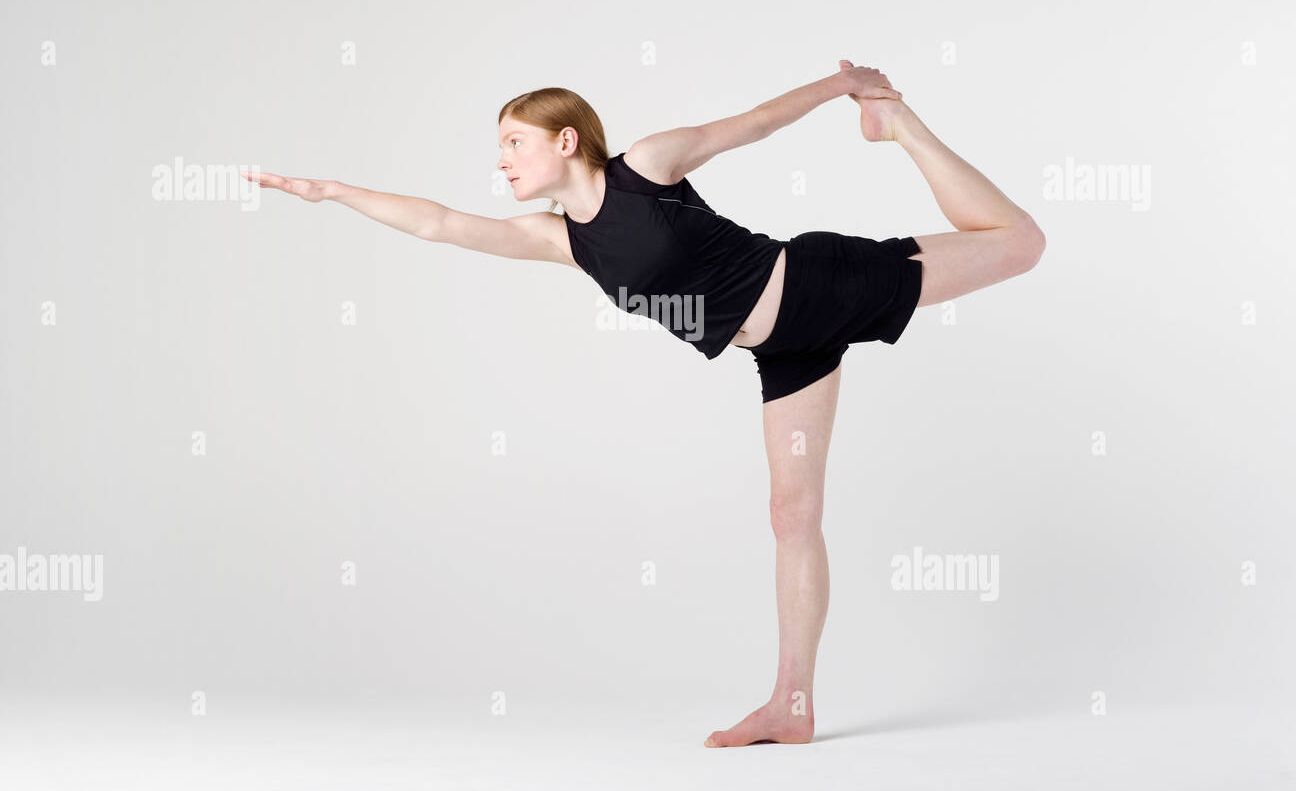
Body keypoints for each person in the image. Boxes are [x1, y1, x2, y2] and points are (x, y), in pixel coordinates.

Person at [244, 60, 1046, 748]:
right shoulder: (562, 239)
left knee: (1019, 243)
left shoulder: (647, 166)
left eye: (513, 142)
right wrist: (332, 190)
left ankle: (899, 125)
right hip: (781, 350)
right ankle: (791, 705)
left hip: (816, 284)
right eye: (500, 148)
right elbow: (443, 224)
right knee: (790, 517)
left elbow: (755, 123)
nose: (502, 162)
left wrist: (846, 86)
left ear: (566, 140)